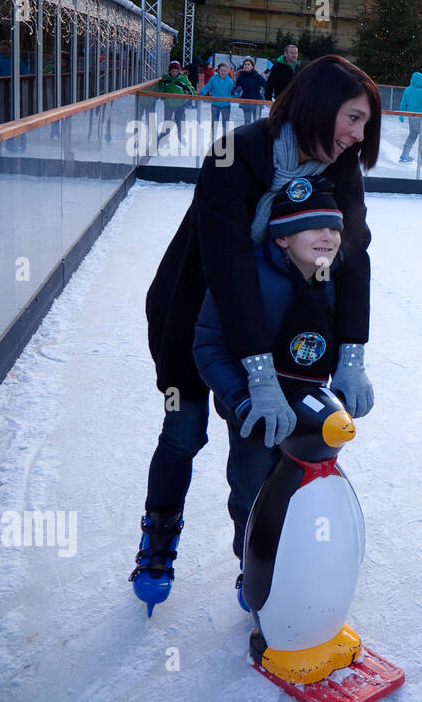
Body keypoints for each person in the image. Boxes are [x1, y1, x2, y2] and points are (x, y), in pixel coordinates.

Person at [132, 56, 379, 614]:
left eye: (366, 125)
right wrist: (256, 374)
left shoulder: (339, 169)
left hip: (278, 323)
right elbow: (227, 269)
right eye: (353, 119)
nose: (359, 137)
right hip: (195, 317)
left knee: (260, 456)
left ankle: (257, 562)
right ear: (318, 105)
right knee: (184, 432)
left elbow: (355, 259)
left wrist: (352, 355)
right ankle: (159, 537)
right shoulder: (236, 153)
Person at [192, 177, 346, 570]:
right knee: (252, 490)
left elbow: (341, 340)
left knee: (304, 488)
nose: (328, 236)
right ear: (281, 238)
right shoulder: (247, 279)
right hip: (255, 414)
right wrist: (243, 401)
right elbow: (209, 345)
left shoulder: (336, 278)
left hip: (308, 412)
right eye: (314, 227)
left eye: (334, 227)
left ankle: (298, 561)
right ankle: (254, 566)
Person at [155, 60, 195, 145]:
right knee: (167, 121)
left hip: (180, 104)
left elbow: (190, 87)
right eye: (173, 71)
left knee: (180, 121)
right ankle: (163, 138)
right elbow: (161, 86)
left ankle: (181, 136)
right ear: (169, 71)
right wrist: (161, 94)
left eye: (176, 71)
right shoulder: (165, 78)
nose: (174, 73)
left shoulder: (182, 79)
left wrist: (193, 96)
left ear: (179, 71)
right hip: (169, 104)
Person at [201, 62, 237, 142]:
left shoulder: (229, 81)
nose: (223, 72)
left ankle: (225, 139)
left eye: (225, 71)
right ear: (218, 71)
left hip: (226, 105)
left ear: (228, 71)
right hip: (215, 104)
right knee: (214, 122)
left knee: (225, 122)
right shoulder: (213, 79)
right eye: (221, 70)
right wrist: (202, 93)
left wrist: (235, 93)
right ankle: (212, 138)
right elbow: (207, 87)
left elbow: (232, 92)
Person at [234, 58, 267, 125]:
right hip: (246, 100)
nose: (246, 66)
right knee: (247, 122)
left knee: (257, 122)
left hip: (257, 101)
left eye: (248, 64)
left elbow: (266, 85)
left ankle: (257, 134)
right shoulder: (241, 76)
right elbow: (236, 86)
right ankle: (247, 135)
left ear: (252, 66)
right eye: (245, 64)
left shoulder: (256, 75)